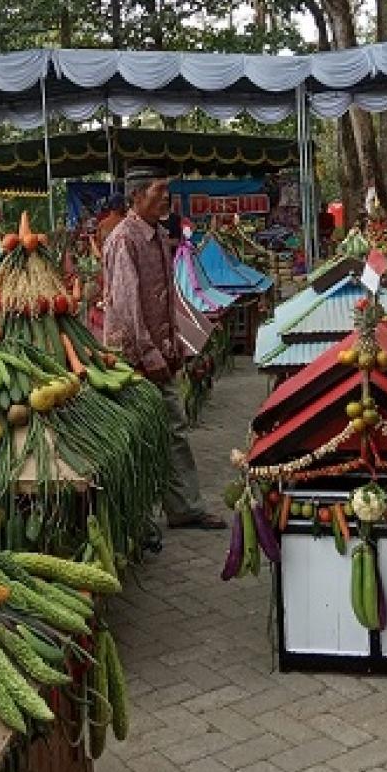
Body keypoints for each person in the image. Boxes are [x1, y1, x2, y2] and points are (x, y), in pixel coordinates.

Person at [102, 166, 224, 529]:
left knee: (172, 429)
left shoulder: (156, 234)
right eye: (159, 191)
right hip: (132, 357)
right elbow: (126, 305)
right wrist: (149, 352)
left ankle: (184, 508)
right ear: (137, 196)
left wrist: (173, 343)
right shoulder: (124, 240)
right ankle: (136, 517)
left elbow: (165, 296)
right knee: (139, 434)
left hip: (158, 351)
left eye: (166, 191)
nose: (166, 198)